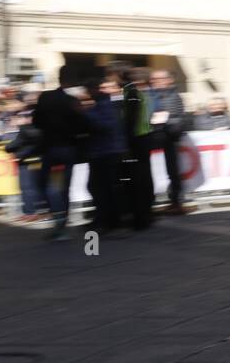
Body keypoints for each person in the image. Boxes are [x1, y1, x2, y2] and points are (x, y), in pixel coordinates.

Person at [32, 64, 92, 241]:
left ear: (59, 78)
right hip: (68, 148)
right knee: (64, 187)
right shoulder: (73, 102)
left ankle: (56, 219)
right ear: (73, 81)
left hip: (49, 147)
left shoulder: (45, 97)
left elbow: (36, 121)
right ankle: (62, 223)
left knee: (43, 184)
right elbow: (84, 124)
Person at [86, 69, 129, 233]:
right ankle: (104, 219)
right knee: (99, 187)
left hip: (107, 151)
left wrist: (86, 116)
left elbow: (106, 126)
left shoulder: (107, 105)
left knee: (105, 187)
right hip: (104, 151)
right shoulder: (101, 105)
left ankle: (110, 221)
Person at [148, 69, 190, 215]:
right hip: (151, 137)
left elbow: (180, 119)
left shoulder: (175, 96)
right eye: (153, 79)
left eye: (159, 79)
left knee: (173, 171)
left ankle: (176, 201)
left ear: (168, 80)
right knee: (147, 170)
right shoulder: (149, 95)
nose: (155, 82)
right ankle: (149, 201)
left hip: (169, 138)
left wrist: (163, 122)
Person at [119, 65, 155, 231]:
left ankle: (140, 218)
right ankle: (146, 214)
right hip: (144, 138)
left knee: (136, 179)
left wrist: (126, 144)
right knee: (144, 178)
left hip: (136, 141)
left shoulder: (130, 93)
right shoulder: (141, 93)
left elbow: (130, 121)